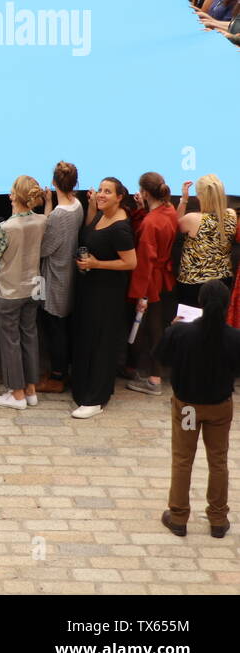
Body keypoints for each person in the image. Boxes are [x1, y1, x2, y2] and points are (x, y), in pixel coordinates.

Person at [157, 280, 238, 539]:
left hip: (189, 407)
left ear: (200, 303)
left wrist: (172, 330)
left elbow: (161, 357)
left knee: (183, 460)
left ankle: (179, 516)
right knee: (218, 461)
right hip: (219, 407)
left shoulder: (182, 333)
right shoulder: (234, 337)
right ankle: (217, 518)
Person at [70, 178, 138, 419]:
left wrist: (97, 263)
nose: (101, 194)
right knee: (88, 337)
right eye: (100, 190)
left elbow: (131, 262)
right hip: (91, 289)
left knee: (102, 342)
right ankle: (84, 387)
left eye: (107, 192)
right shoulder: (101, 214)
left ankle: (96, 398)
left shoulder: (120, 227)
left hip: (107, 294)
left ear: (119, 197)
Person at [0, 176, 46, 409]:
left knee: (10, 340)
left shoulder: (5, 227)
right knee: (30, 335)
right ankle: (30, 389)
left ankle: (16, 393)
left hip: (10, 287)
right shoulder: (42, 221)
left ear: (13, 196)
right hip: (35, 286)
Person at [125, 172, 178, 396]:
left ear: (145, 192)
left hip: (152, 280)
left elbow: (145, 262)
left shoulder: (150, 222)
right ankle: (152, 374)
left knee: (151, 328)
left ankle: (154, 378)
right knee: (158, 325)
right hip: (165, 278)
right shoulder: (169, 211)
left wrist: (142, 295)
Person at [37, 162, 84, 393]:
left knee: (55, 328)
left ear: (54, 182)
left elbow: (45, 247)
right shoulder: (77, 205)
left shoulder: (58, 215)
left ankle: (57, 374)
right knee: (62, 327)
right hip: (68, 273)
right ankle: (60, 370)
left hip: (56, 277)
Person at [175, 174, 236, 309]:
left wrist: (184, 200)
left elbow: (174, 226)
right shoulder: (232, 214)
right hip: (223, 281)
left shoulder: (192, 219)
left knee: (190, 326)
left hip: (193, 283)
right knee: (216, 323)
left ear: (201, 196)